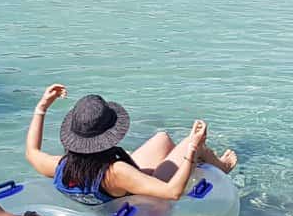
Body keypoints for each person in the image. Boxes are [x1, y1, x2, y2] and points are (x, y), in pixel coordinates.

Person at [24, 86, 237, 206]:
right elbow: (172, 193)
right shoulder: (116, 172)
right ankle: (221, 167)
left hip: (113, 192)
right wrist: (192, 149)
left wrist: (41, 108)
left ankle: (201, 158)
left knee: (162, 138)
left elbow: (31, 152)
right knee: (192, 144)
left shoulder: (61, 165)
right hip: (142, 205)